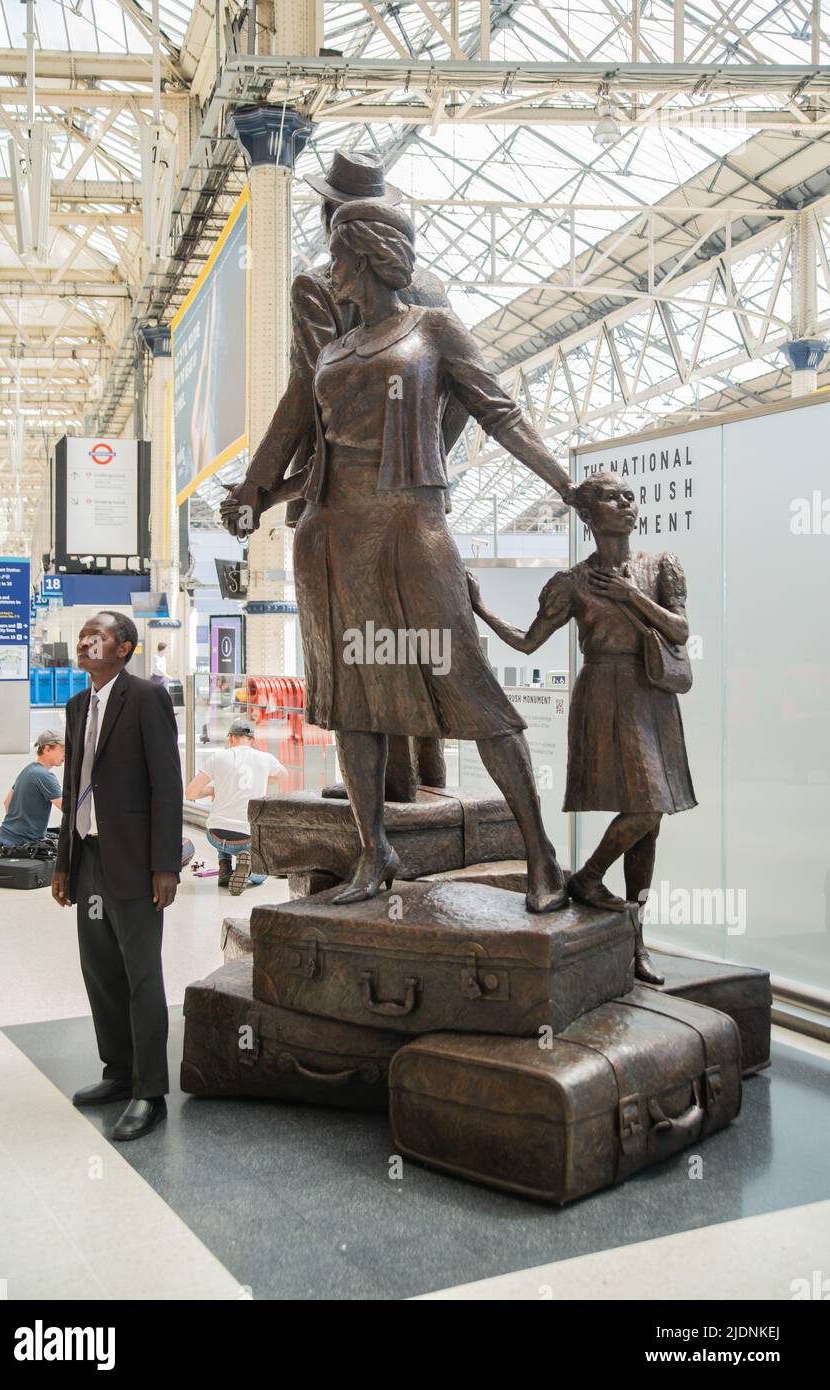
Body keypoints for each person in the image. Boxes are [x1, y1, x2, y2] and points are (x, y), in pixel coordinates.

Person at [240, 198, 575, 913]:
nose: (328, 269)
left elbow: (500, 412)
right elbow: (297, 427)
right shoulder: (331, 352)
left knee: (474, 691)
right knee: (354, 702)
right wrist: (253, 495)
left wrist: (567, 484)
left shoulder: (432, 329)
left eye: (337, 255)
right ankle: (374, 852)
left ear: (365, 257)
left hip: (409, 529)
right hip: (330, 536)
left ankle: (541, 855)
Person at [220, 150, 466, 802]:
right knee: (416, 634)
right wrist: (428, 455)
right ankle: (427, 776)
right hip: (421, 505)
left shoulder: (320, 284)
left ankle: (385, 791)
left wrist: (256, 485)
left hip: (347, 503)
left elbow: (307, 397)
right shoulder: (432, 292)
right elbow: (466, 392)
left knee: (357, 642)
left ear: (334, 214)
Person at [468, 471, 696, 980]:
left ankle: (632, 935)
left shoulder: (659, 565)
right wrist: (479, 608)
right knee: (648, 809)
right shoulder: (571, 582)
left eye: (631, 496)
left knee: (650, 822)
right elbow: (528, 643)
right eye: (613, 498)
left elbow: (679, 630)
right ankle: (592, 881)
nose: (627, 504)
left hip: (652, 692)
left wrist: (629, 594)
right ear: (589, 516)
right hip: (603, 693)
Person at [52, 610, 183, 1142]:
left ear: (125, 648)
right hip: (88, 858)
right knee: (101, 971)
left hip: (133, 860)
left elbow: (167, 787)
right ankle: (119, 1072)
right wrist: (64, 862)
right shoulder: (78, 703)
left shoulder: (147, 699)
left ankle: (149, 1091)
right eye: (83, 635)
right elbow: (73, 786)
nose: (85, 642)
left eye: (97, 636)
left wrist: (165, 864)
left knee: (141, 975)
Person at [185, 719, 286, 893]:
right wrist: (261, 779)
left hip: (215, 835)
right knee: (262, 876)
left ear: (230, 738)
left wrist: (211, 791)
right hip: (246, 839)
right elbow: (283, 776)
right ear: (252, 740)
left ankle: (225, 868)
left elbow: (190, 793)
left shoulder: (218, 757)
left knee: (222, 820)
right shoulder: (265, 758)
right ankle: (247, 872)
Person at [0, 730, 65, 851]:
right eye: (63, 750)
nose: (65, 755)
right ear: (47, 749)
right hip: (22, 844)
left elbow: (7, 802)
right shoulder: (45, 776)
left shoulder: (27, 770)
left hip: (5, 838)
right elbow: (68, 808)